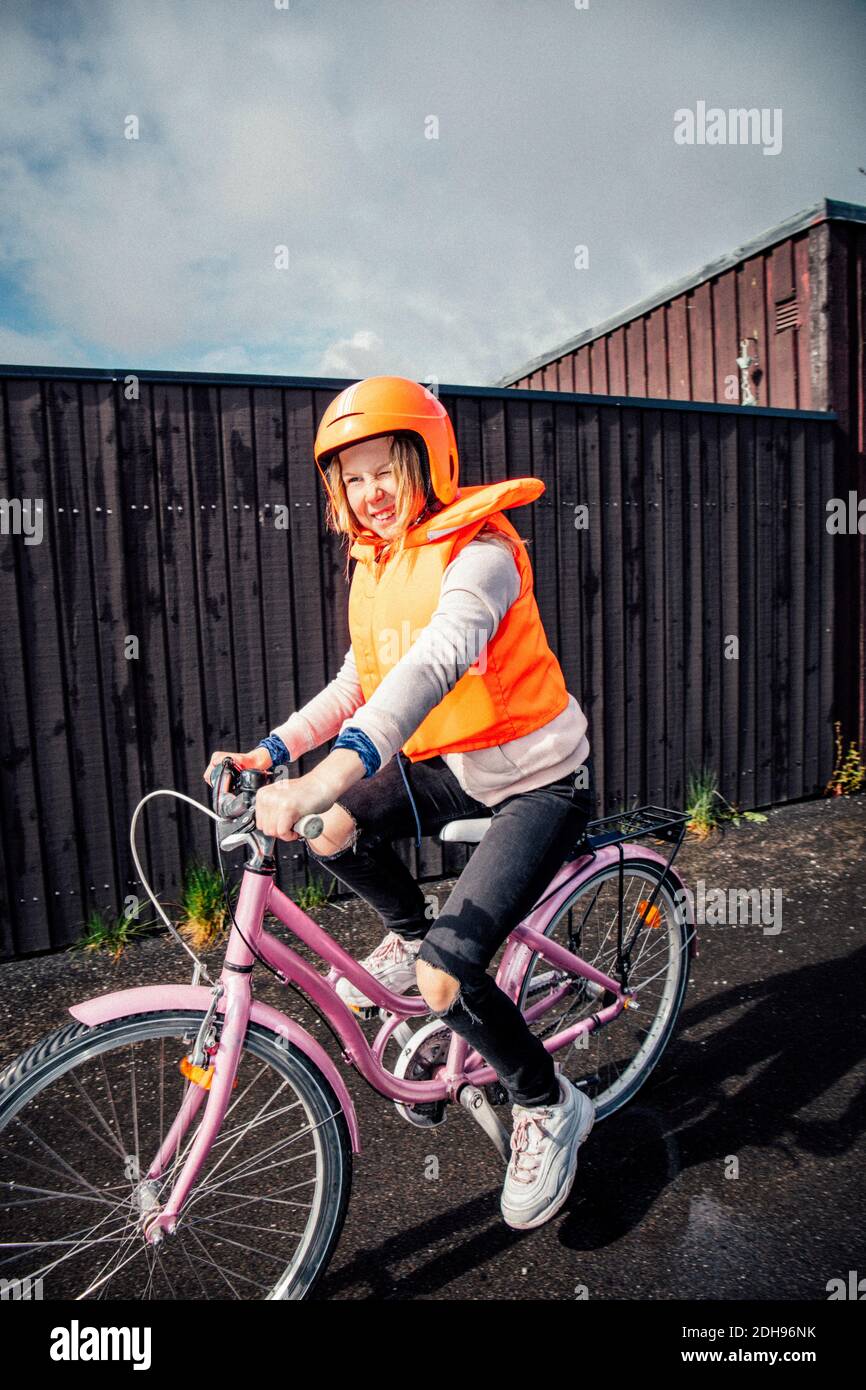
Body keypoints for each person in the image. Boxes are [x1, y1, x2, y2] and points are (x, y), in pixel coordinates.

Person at [203, 376, 597, 1231]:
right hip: (456, 764)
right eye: (352, 478)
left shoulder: (478, 554)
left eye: (387, 469)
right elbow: (361, 680)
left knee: (443, 979)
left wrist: (327, 771)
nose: (370, 493)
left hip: (537, 781)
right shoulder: (380, 567)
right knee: (329, 827)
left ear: (430, 463)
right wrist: (273, 751)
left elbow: (431, 669)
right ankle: (413, 933)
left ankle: (547, 1104)